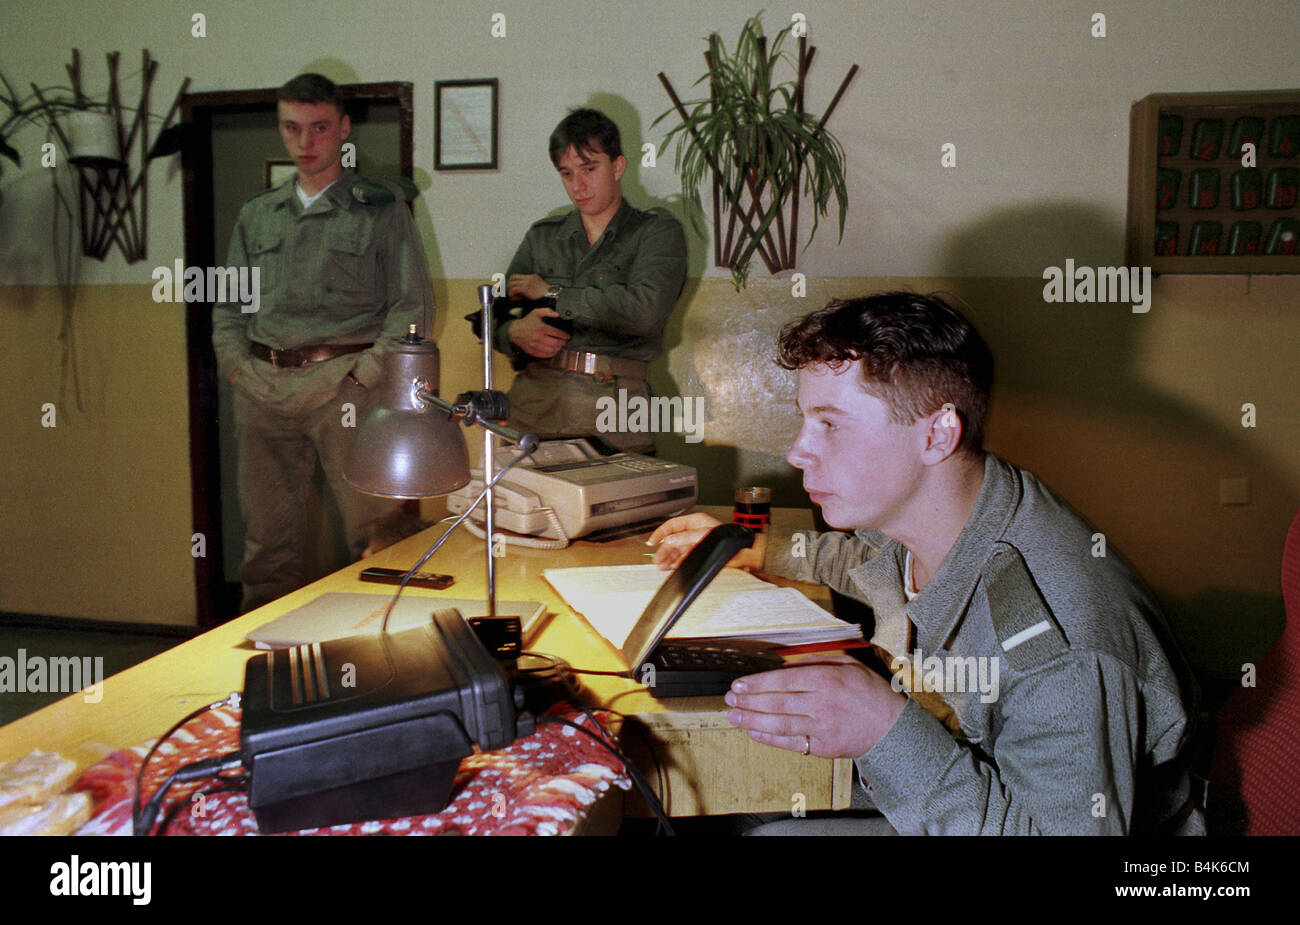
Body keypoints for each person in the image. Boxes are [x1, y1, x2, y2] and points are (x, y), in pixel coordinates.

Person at [650, 292, 1203, 835]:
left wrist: (885, 733)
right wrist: (760, 549)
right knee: (748, 791)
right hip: (976, 773)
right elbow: (872, 561)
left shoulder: (1057, 651)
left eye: (831, 424)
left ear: (937, 433)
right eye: (805, 421)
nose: (797, 452)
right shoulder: (957, 505)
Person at [212, 73, 434, 612]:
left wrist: (363, 377)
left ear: (343, 129)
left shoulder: (381, 209)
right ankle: (264, 675)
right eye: (292, 128)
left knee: (378, 539)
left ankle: (386, 669)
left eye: (319, 128)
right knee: (266, 549)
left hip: (345, 393)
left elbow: (412, 310)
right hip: (262, 390)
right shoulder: (256, 214)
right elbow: (226, 308)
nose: (305, 143)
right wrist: (237, 369)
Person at [494, 108, 687, 454]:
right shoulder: (542, 237)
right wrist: (513, 333)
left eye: (589, 169)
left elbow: (644, 311)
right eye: (566, 173)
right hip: (533, 401)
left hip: (614, 405)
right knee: (522, 504)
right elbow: (489, 317)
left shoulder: (656, 233)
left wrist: (553, 293)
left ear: (617, 166)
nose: (578, 185)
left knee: (616, 504)